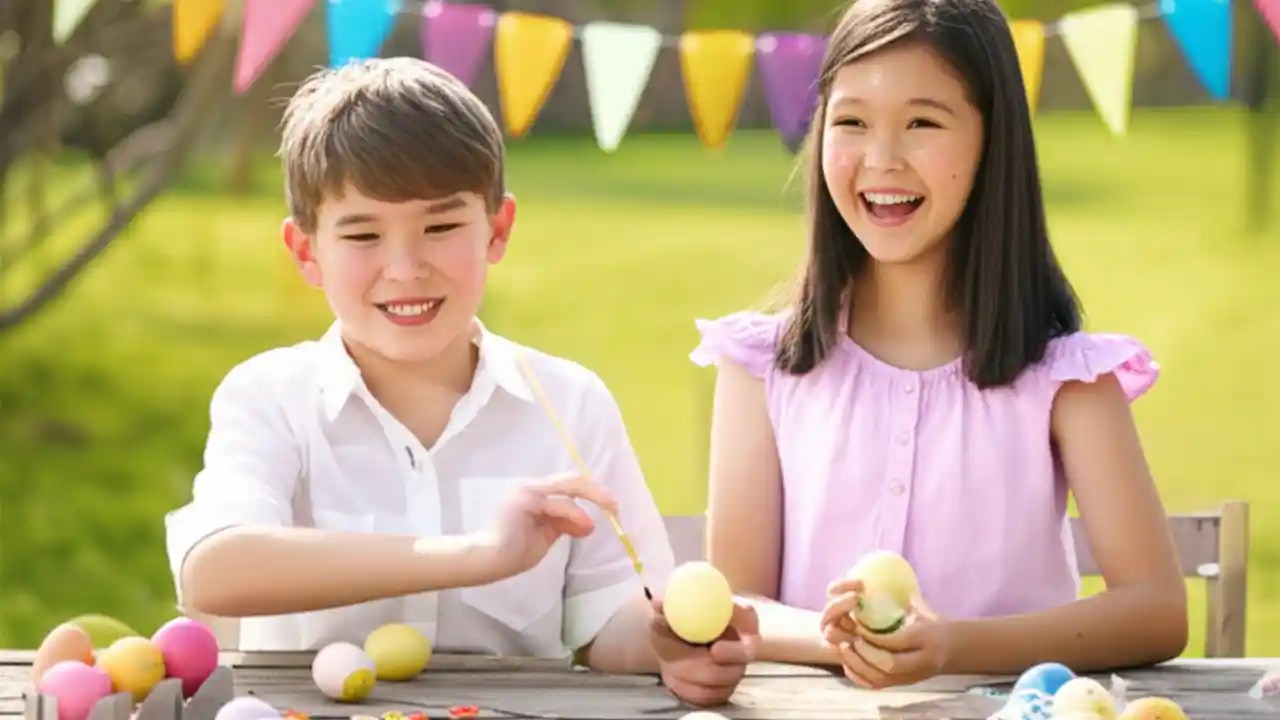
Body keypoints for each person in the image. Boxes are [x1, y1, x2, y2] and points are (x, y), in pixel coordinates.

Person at [165, 57, 757, 707]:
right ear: (307, 252)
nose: (405, 268)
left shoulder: (570, 403)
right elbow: (214, 572)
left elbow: (608, 620)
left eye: (441, 227)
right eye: (363, 234)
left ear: (497, 230)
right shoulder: (270, 397)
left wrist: (671, 645)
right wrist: (476, 554)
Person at [689, 0, 1188, 689]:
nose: (881, 159)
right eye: (852, 122)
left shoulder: (1068, 378)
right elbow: (742, 607)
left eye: (922, 123)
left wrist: (953, 644)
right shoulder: (761, 368)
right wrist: (852, 640)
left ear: (993, 141)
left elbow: (1156, 610)